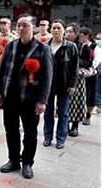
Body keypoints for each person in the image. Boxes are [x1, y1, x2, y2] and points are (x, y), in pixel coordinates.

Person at [0, 14, 53, 179]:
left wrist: (43, 100)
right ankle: (13, 160)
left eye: (25, 25)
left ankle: (27, 162)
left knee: (30, 132)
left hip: (30, 99)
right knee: (11, 130)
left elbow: (48, 77)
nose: (21, 28)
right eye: (19, 25)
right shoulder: (11, 46)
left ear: (33, 28)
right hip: (10, 96)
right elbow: (2, 70)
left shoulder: (42, 49)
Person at [43, 19, 78, 149]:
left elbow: (75, 68)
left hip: (64, 84)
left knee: (63, 113)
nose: (56, 30)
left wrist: (73, 85)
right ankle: (47, 137)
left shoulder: (70, 46)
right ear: (50, 30)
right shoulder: (45, 46)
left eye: (59, 28)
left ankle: (61, 139)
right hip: (48, 85)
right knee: (48, 112)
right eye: (54, 28)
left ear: (64, 31)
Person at [0, 18, 17, 110]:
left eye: (5, 23)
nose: (3, 25)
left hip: (9, 63)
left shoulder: (13, 37)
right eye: (1, 23)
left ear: (9, 25)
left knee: (9, 82)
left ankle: (8, 100)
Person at [79, 27, 98, 126]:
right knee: (81, 95)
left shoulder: (94, 46)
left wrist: (90, 70)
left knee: (91, 95)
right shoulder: (79, 45)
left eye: (82, 35)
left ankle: (88, 115)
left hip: (91, 73)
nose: (80, 37)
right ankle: (80, 114)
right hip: (80, 74)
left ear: (87, 35)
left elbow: (96, 60)